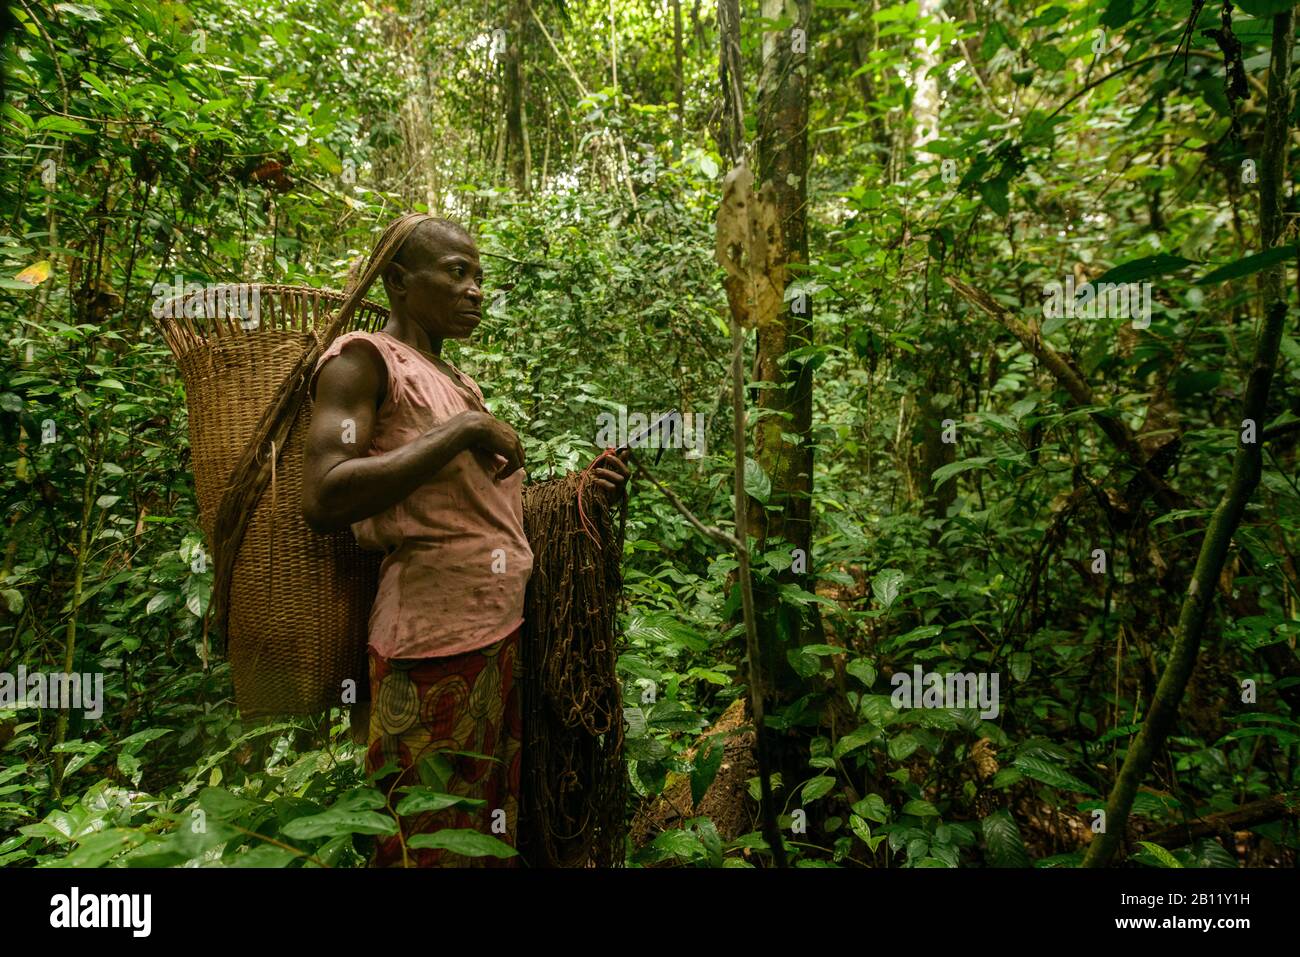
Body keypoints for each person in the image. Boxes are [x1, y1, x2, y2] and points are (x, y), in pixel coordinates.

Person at [301, 213, 631, 866]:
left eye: (480, 277)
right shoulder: (363, 360)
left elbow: (482, 514)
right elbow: (325, 492)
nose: (475, 289)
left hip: (494, 632)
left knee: (480, 829)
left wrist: (579, 493)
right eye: (457, 273)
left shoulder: (457, 384)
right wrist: (468, 431)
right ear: (399, 281)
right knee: (421, 835)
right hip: (428, 642)